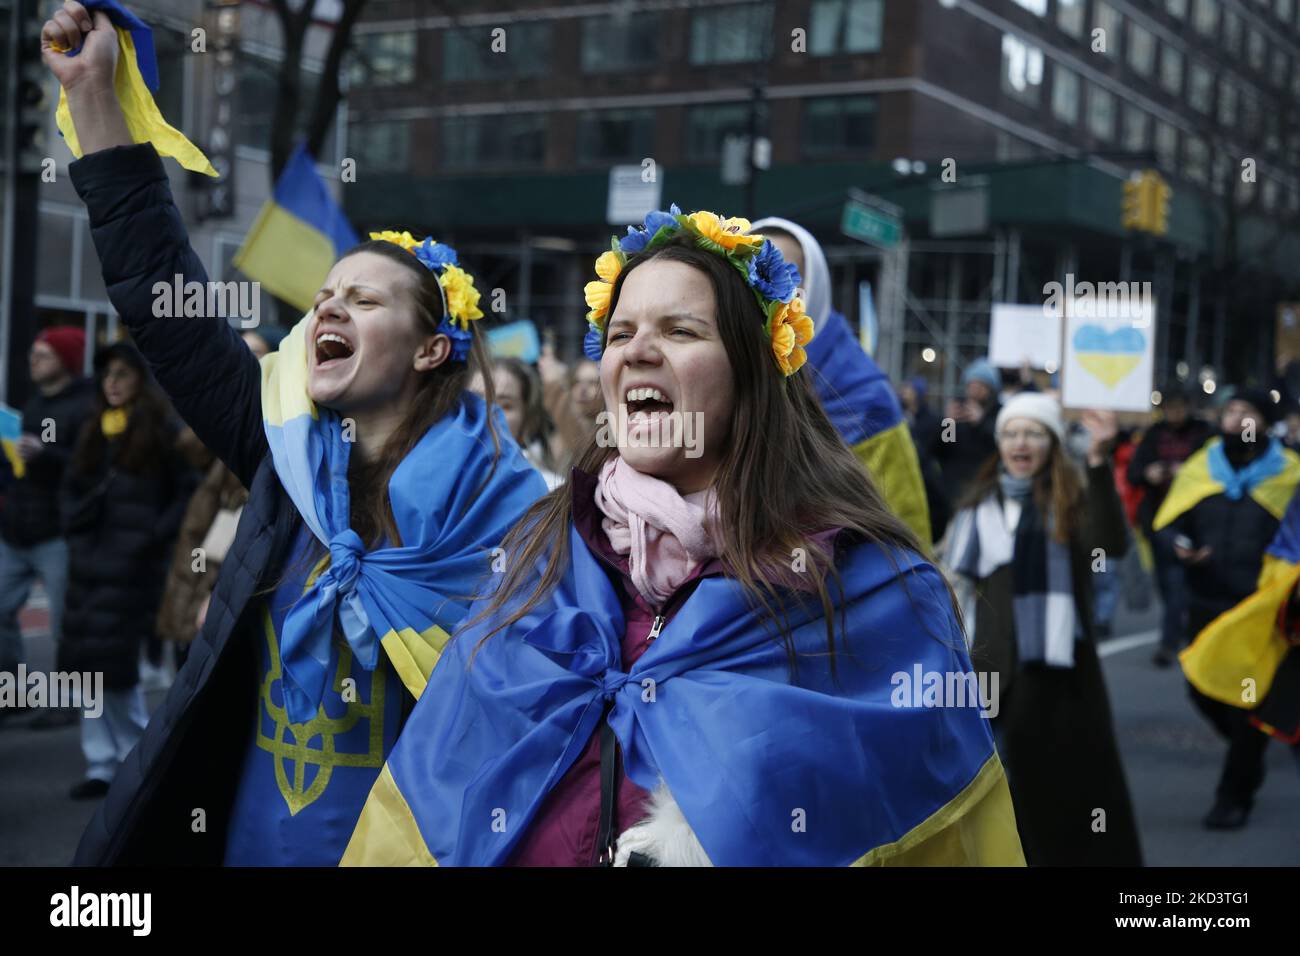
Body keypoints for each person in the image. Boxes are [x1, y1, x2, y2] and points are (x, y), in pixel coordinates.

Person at [341, 208, 1024, 867]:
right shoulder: (537, 558)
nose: (637, 350)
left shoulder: (870, 591)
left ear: (752, 371)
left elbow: (931, 836)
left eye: (680, 331)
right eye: (619, 334)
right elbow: (430, 803)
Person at [44, 1, 544, 864]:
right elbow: (165, 304)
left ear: (432, 347)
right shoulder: (286, 459)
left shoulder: (516, 519)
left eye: (362, 298)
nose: (327, 307)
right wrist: (94, 96)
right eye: (323, 295)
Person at [942, 392, 1143, 866]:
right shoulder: (976, 508)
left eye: (1033, 432)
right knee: (993, 794)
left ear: (1052, 443)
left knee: (1058, 796)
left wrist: (1098, 458)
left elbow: (1111, 543)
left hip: (1056, 678)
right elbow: (953, 587)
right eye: (1011, 433)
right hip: (987, 675)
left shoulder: (1069, 503)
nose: (1021, 442)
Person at [1153, 388, 1300, 829]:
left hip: (1259, 609)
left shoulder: (1291, 475)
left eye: (1246, 412)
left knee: (1247, 701)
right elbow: (1168, 522)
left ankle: (1234, 795)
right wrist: (1179, 546)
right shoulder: (1202, 467)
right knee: (1201, 687)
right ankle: (1247, 741)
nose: (1236, 418)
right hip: (1206, 601)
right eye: (1230, 410)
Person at [60, 342, 198, 799]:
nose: (112, 383)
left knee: (119, 666)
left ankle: (135, 756)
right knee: (86, 667)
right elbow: (72, 489)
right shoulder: (93, 428)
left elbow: (185, 492)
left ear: (140, 378)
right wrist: (77, 534)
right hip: (89, 566)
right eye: (106, 375)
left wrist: (152, 536)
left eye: (122, 373)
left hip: (134, 567)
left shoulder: (161, 428)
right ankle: (100, 761)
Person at [750, 216, 930, 543]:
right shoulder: (714, 379)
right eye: (753, 276)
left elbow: (907, 537)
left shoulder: (867, 400)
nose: (767, 295)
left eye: (785, 279)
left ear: (813, 291)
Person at [154, 332, 270, 667]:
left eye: (257, 353)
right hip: (201, 551)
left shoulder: (279, 417)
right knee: (188, 665)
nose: (248, 360)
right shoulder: (226, 412)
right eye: (242, 352)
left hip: (233, 563)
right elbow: (188, 446)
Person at [0, 327, 94, 728]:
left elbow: (88, 466)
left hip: (58, 532)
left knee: (65, 622)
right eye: (33, 353)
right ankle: (15, 690)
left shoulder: (87, 407)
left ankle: (70, 699)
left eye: (44, 355)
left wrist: (45, 453)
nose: (33, 361)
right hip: (17, 529)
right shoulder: (35, 403)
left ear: (66, 362)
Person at [1126, 387, 1213, 666]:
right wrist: (1149, 472)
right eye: (1169, 408)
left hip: (1192, 519)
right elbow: (1134, 472)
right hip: (1159, 517)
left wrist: (1185, 472)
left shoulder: (1204, 434)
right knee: (1166, 582)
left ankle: (1170, 642)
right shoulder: (1154, 434)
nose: (1174, 414)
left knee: (1180, 581)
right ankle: (1180, 629)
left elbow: (1214, 469)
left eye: (1179, 407)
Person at [469, 357, 562, 489]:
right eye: (475, 401)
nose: (487, 413)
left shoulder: (551, 490)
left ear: (528, 420)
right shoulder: (438, 475)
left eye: (505, 405)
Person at [929, 358, 1003, 511]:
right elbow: (941, 450)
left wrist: (981, 422)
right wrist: (947, 423)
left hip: (984, 486)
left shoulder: (999, 413)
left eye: (980, 386)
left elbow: (999, 447)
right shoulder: (958, 410)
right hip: (952, 488)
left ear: (991, 390)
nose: (974, 390)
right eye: (971, 385)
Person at [539, 349, 602, 471]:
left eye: (592, 383)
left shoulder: (610, 432)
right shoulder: (556, 436)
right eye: (577, 382)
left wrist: (553, 384)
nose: (582, 389)